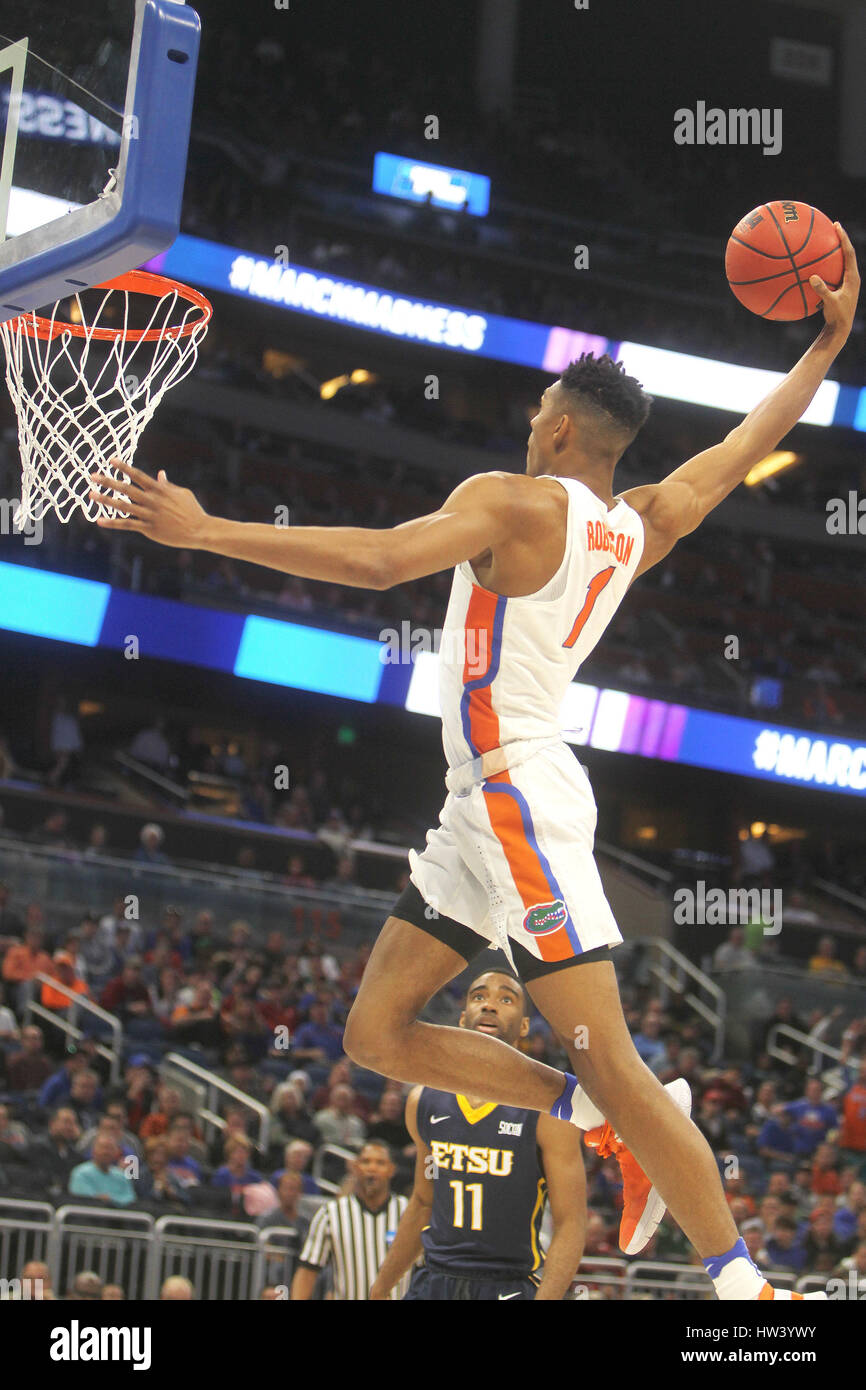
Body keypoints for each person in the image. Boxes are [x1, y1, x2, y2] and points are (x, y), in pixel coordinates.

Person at [90, 224, 860, 1302]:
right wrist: (822, 351)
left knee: (613, 1054)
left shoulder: (508, 496)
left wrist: (208, 528)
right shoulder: (638, 524)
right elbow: (737, 450)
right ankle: (587, 1107)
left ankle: (746, 1286)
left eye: (535, 413)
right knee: (376, 1033)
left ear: (551, 428)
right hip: (480, 802)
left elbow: (380, 558)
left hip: (518, 792)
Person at [370, 969, 586, 1300]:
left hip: (507, 1284)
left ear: (525, 1026)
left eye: (506, 999)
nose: (489, 1005)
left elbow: (571, 1224)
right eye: (478, 996)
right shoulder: (423, 1100)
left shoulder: (547, 1111)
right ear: (461, 1019)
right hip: (433, 1281)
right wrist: (381, 1287)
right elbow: (423, 1201)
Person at [290, 1140, 410, 1300]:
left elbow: (427, 1270)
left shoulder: (408, 1213)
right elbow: (308, 1270)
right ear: (355, 1168)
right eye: (366, 1161)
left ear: (391, 1170)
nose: (372, 1168)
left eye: (380, 1163)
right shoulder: (331, 1213)